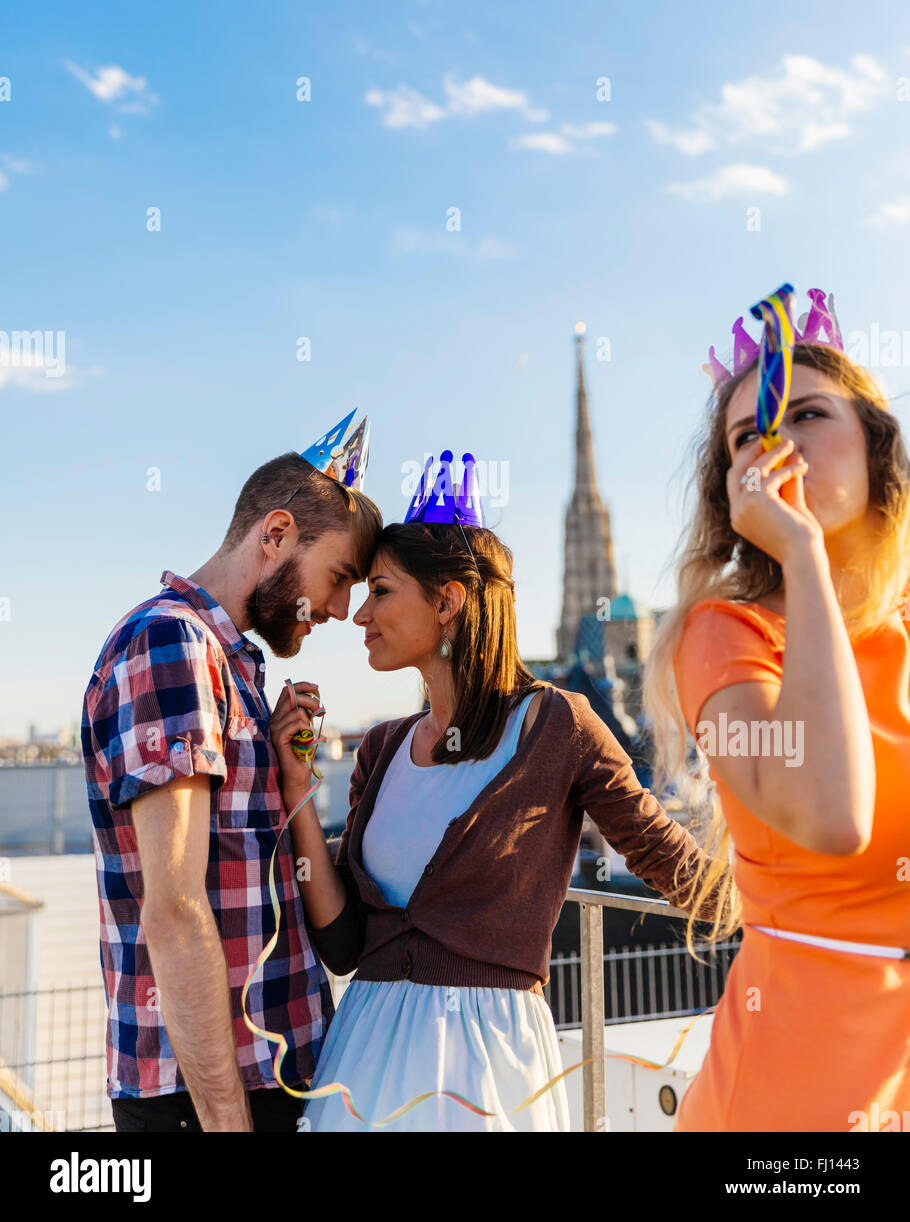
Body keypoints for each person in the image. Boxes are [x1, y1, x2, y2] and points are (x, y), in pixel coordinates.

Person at [271, 449, 716, 1132]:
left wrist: (805, 906)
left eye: (382, 591)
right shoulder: (383, 748)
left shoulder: (557, 726)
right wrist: (298, 789)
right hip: (363, 1063)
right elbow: (343, 946)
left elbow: (669, 861)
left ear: (447, 602)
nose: (360, 615)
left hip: (487, 1071)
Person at [642, 290, 910, 1132]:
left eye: (809, 414)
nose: (780, 443)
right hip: (797, 1094)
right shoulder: (722, 635)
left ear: (875, 444)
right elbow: (833, 814)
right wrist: (799, 551)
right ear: (731, 491)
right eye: (749, 435)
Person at [81, 413, 382, 1132]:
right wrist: (226, 1121)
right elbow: (175, 908)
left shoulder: (229, 665)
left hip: (265, 1081)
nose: (342, 610)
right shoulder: (170, 644)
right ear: (274, 534)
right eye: (338, 578)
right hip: (215, 1100)